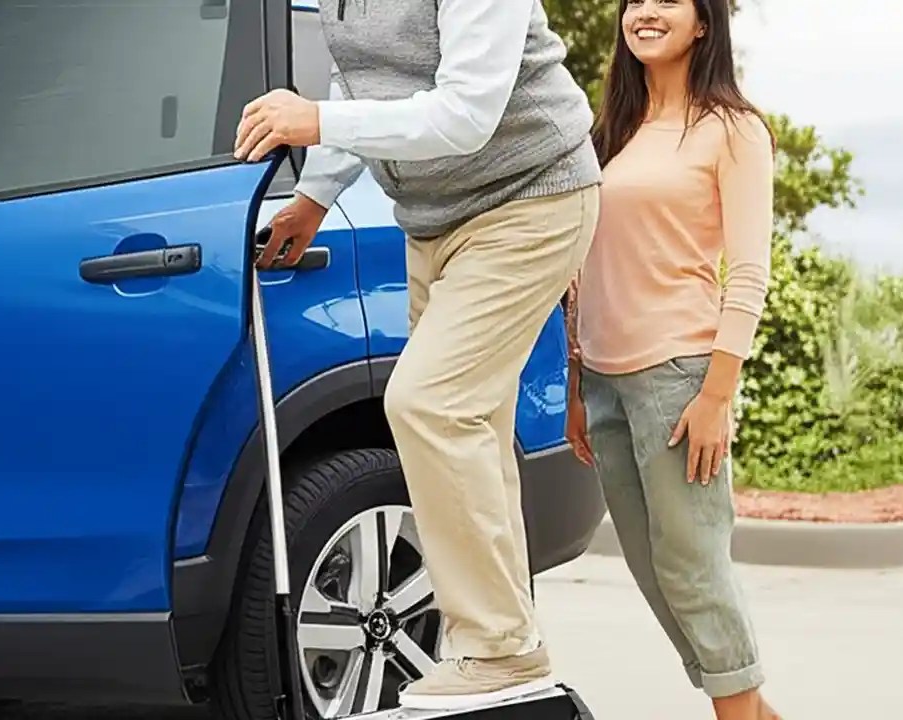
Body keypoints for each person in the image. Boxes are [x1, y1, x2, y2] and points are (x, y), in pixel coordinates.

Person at [232, 0, 601, 711]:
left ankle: (499, 651)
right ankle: (504, 644)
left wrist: (316, 122)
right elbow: (361, 82)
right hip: (434, 221)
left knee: (430, 403)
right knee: (473, 425)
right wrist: (315, 194)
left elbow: (466, 114)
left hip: (531, 199)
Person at [564, 1, 781, 719]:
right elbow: (581, 269)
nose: (644, 11)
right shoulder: (611, 135)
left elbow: (749, 272)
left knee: (693, 571)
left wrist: (717, 394)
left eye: (667, 0)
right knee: (656, 574)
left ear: (703, 25)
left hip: (679, 376)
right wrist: (575, 383)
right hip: (604, 382)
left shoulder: (732, 130)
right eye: (635, 1)